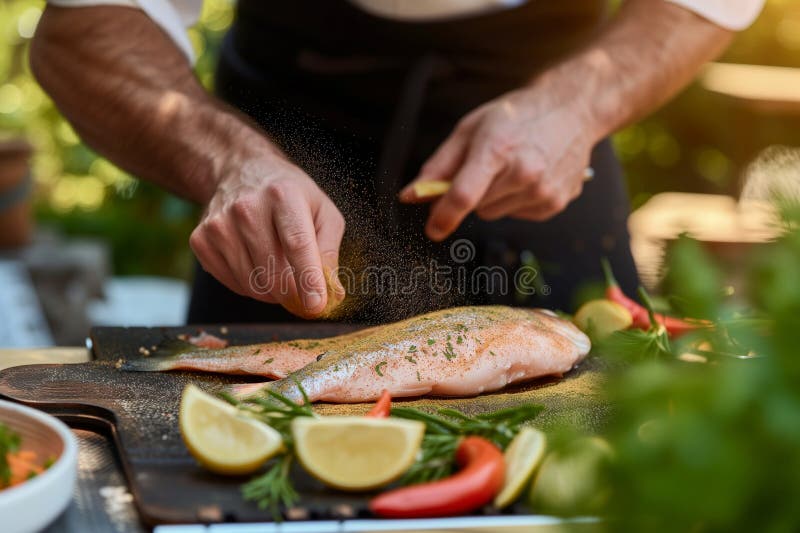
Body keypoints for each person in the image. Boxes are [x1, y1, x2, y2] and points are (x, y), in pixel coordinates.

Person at [30, 0, 764, 323]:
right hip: (281, 146)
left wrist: (578, 104)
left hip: (544, 154)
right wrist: (230, 161)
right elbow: (82, 28)